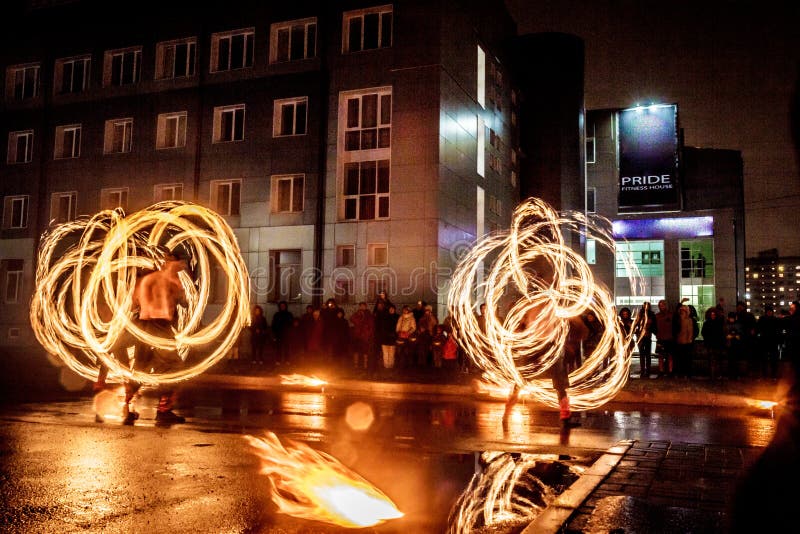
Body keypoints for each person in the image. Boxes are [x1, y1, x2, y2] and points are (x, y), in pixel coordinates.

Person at [126, 252, 189, 426]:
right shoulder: (170, 280)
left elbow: (133, 305)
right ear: (170, 263)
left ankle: (125, 407)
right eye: (177, 263)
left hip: (143, 326)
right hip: (160, 326)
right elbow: (184, 301)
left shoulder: (144, 281)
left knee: (141, 368)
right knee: (174, 368)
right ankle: (163, 411)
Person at [756, 305, 781, 379]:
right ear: (766, 312)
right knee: (764, 358)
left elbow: (778, 330)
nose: (769, 313)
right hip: (765, 341)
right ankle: (765, 373)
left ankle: (773, 373)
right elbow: (758, 328)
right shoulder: (762, 319)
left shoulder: (775, 319)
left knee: (773, 358)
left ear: (772, 312)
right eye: (768, 311)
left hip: (773, 341)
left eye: (770, 311)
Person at [349, 302, 374, 374]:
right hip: (357, 336)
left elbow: (371, 326)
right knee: (356, 351)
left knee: (365, 352)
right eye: (361, 306)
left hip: (365, 336)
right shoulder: (357, 314)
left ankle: (365, 366)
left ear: (366, 307)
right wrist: (358, 314)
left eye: (363, 306)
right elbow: (352, 319)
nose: (362, 307)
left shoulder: (369, 315)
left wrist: (369, 334)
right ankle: (356, 366)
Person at [701, 307, 726, 379]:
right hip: (710, 344)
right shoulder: (707, 323)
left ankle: (716, 374)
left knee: (717, 360)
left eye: (714, 314)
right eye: (711, 314)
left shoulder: (718, 323)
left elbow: (722, 333)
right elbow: (703, 333)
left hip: (717, 344)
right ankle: (712, 375)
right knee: (712, 360)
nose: (713, 316)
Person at [635, 302, 657, 379]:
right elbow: (636, 324)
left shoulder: (652, 315)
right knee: (642, 354)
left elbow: (654, 325)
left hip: (647, 336)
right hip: (640, 337)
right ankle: (642, 370)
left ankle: (647, 370)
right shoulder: (640, 314)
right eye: (645, 306)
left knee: (647, 354)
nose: (646, 307)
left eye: (647, 306)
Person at [654, 299, 674, 377]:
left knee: (670, 356)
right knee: (661, 356)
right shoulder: (657, 316)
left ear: (666, 306)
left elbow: (675, 326)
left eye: (662, 305)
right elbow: (654, 327)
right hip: (660, 339)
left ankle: (670, 371)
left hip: (670, 339)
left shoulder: (671, 315)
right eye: (660, 306)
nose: (661, 307)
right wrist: (657, 333)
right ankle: (661, 371)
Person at [271, 301, 293, 367]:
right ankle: (278, 360)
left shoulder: (289, 314)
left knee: (287, 348)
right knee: (279, 348)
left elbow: (291, 324)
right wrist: (274, 335)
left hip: (287, 334)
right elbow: (273, 325)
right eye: (281, 306)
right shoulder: (277, 315)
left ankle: (287, 360)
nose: (282, 307)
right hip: (279, 334)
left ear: (285, 306)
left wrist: (290, 333)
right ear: (279, 307)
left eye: (283, 306)